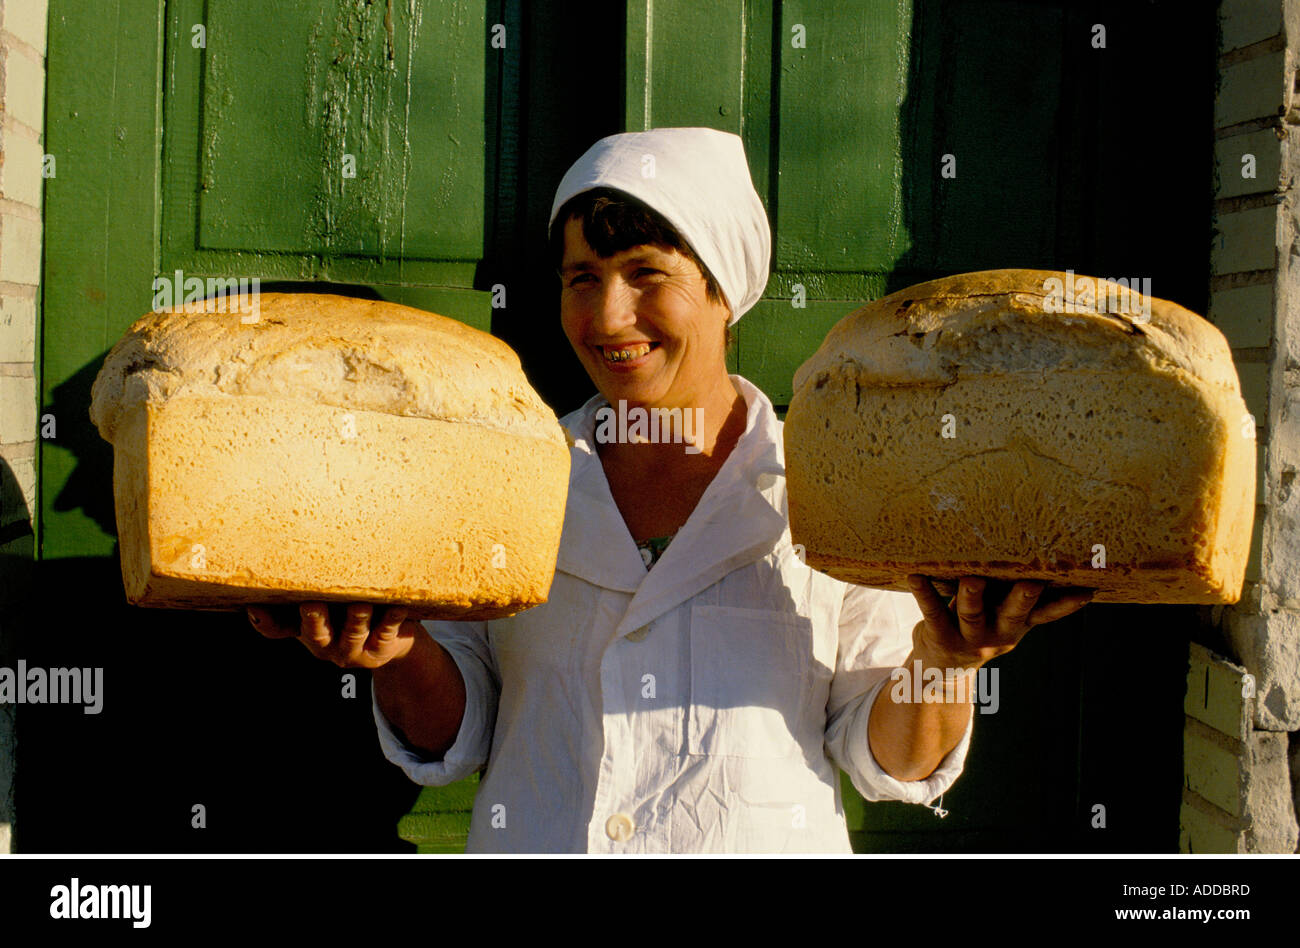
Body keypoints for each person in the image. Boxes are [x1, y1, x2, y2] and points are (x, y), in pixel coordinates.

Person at [248, 127, 1093, 852]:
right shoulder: (503, 472)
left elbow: (892, 761)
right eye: (582, 278)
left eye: (647, 274)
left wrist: (943, 663)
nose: (609, 318)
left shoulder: (835, 485)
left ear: (724, 293)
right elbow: (453, 734)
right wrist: (396, 655)